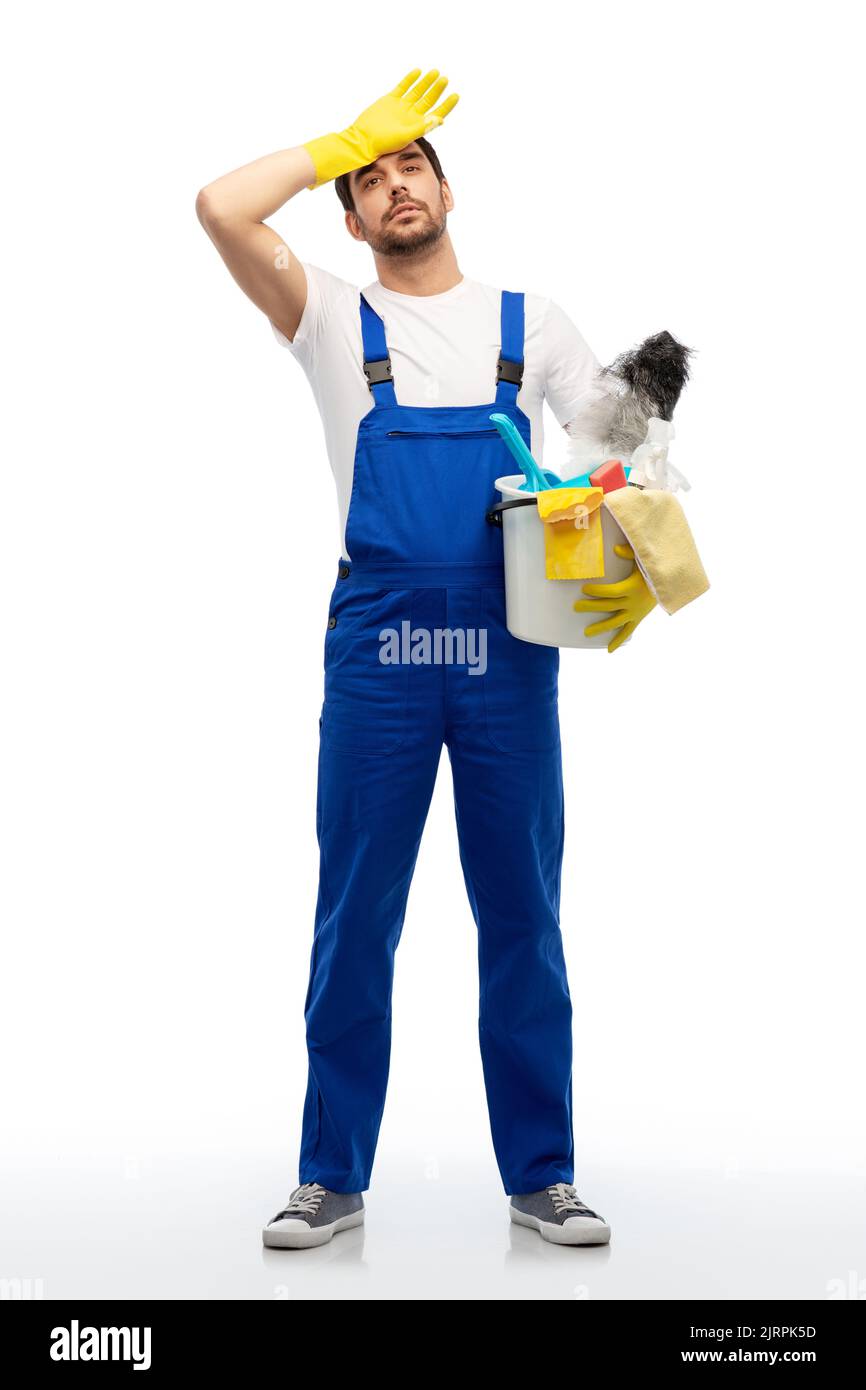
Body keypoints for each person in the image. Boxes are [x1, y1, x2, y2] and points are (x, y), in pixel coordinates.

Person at [196, 67, 631, 1250]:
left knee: (521, 914)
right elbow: (223, 208)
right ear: (346, 219)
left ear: (447, 188)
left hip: (506, 647)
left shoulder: (527, 323)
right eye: (371, 177)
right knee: (354, 913)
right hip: (379, 646)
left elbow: (620, 450)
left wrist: (610, 484)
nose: (393, 185)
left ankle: (542, 1174)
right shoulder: (331, 318)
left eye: (410, 165)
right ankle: (327, 1176)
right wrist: (336, 135)